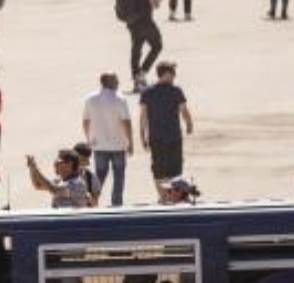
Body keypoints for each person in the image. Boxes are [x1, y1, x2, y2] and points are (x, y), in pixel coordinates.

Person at [82, 72, 134, 206]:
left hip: (99, 145)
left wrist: (89, 139)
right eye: (116, 80)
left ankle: (92, 201)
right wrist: (130, 142)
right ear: (108, 82)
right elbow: (126, 122)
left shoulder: (90, 99)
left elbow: (86, 121)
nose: (118, 83)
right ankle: (116, 204)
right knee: (119, 176)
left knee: (99, 177)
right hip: (118, 145)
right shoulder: (120, 99)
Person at [139, 61, 194, 184]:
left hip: (155, 137)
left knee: (158, 169)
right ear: (167, 74)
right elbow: (184, 111)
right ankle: (172, 196)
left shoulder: (147, 92)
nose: (175, 77)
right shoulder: (176, 91)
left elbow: (143, 117)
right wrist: (189, 124)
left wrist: (142, 136)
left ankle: (163, 197)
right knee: (175, 169)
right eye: (173, 74)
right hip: (173, 136)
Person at [118, 0, 162, 89]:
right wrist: (158, 1)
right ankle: (142, 74)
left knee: (136, 50)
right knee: (157, 46)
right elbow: (154, 5)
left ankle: (136, 81)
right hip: (146, 22)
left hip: (132, 23)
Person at [27, 150, 92, 209]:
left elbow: (54, 189)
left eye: (59, 162)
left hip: (72, 221)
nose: (55, 164)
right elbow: (38, 185)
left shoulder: (77, 183)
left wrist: (35, 168)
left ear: (69, 164)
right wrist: (32, 168)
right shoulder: (59, 180)